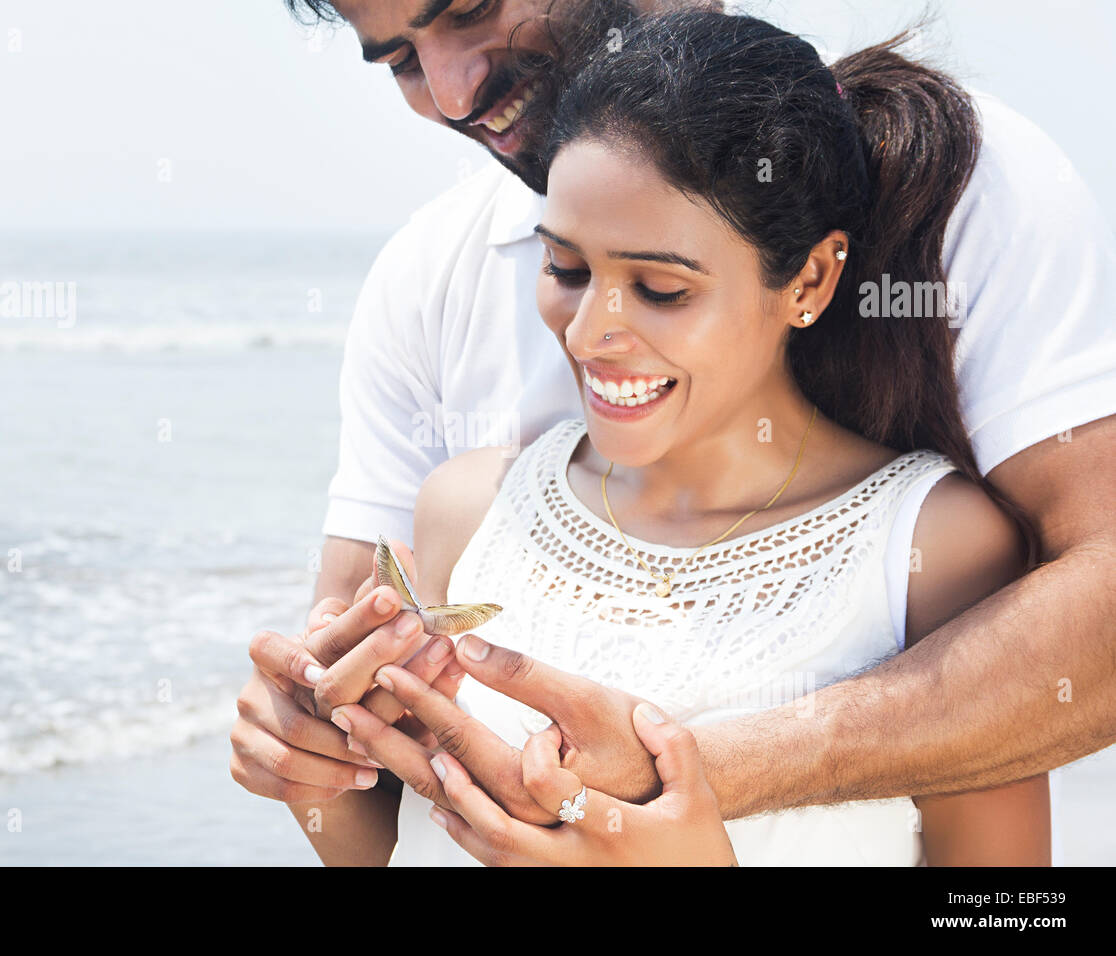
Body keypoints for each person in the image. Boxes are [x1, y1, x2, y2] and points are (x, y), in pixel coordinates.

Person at [230, 0, 1116, 866]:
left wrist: (672, 781)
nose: (454, 95)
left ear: (809, 281)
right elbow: (374, 819)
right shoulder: (460, 485)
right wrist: (311, 761)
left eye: (469, 10)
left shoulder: (936, 546)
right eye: (564, 266)